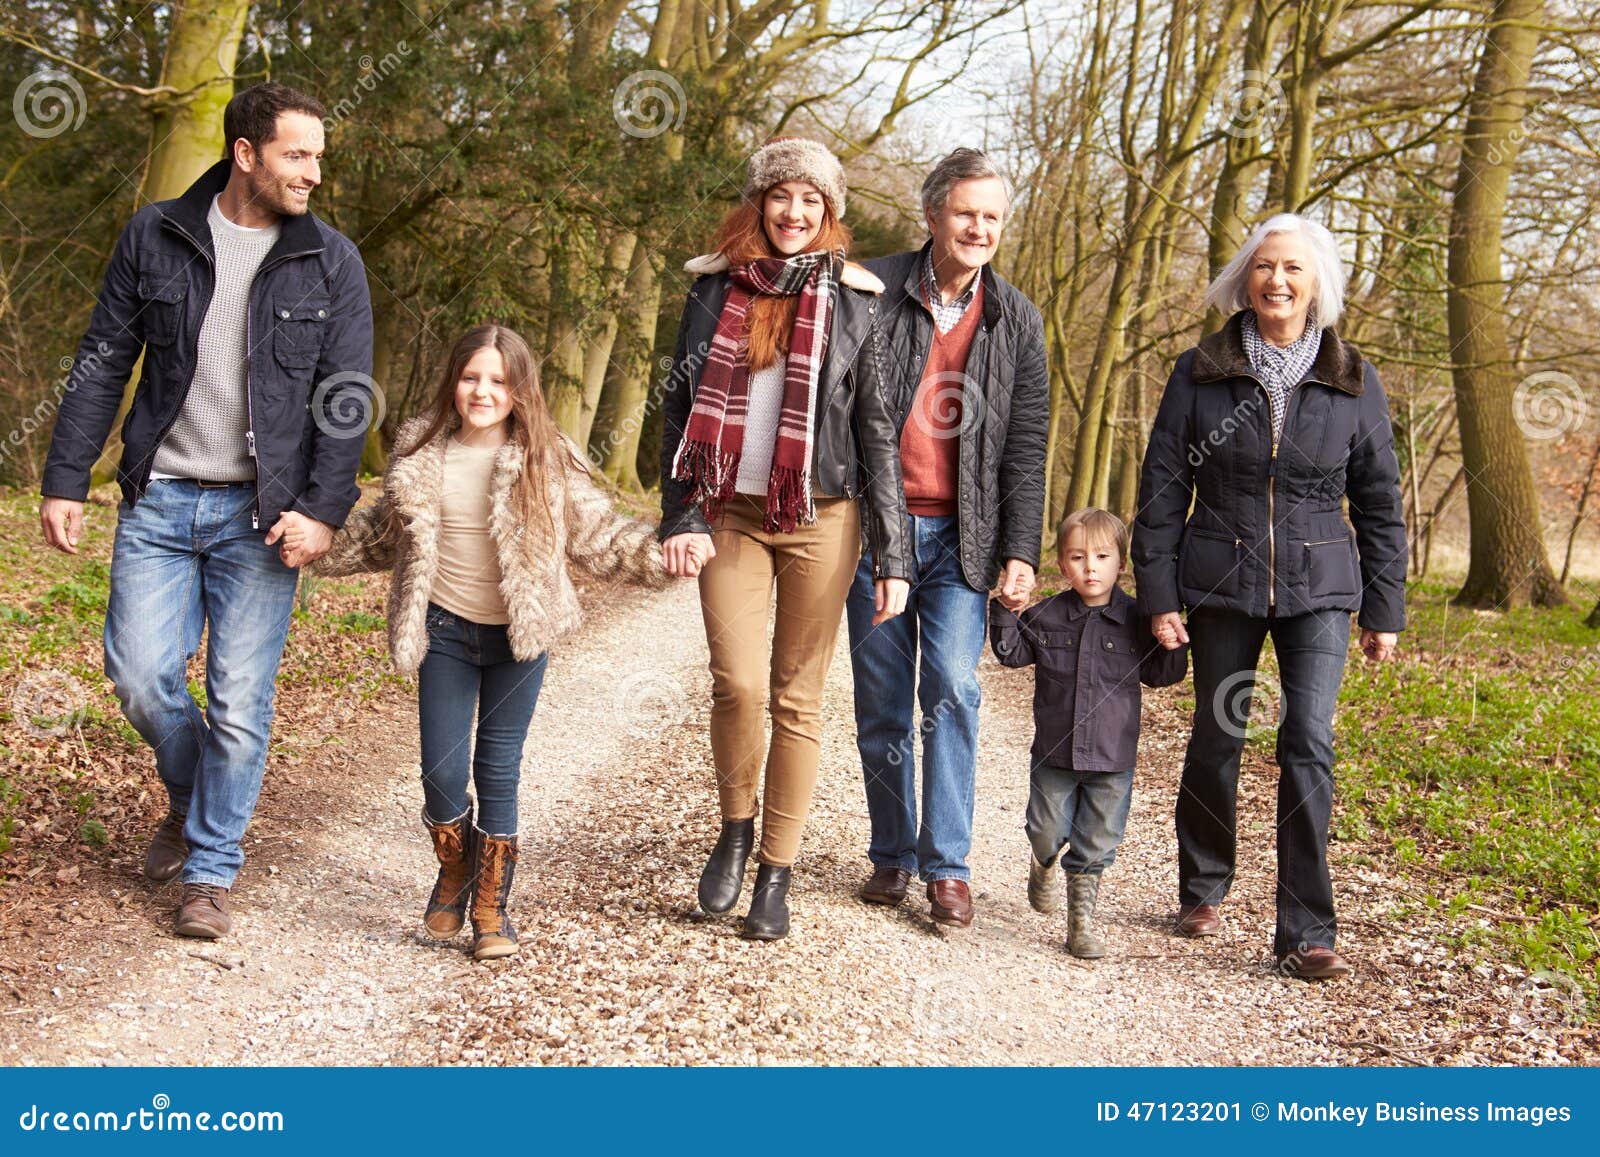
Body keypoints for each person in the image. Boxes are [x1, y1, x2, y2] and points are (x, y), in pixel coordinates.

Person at [38, 83, 373, 940]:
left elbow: (344, 398)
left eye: (320, 157)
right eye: (298, 155)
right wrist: (66, 476)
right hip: (160, 497)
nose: (314, 174)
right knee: (142, 678)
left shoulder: (331, 262)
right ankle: (195, 800)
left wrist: (325, 511)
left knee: (238, 702)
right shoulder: (157, 233)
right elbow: (102, 359)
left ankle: (210, 871)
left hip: (263, 515)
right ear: (246, 153)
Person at [314, 325, 674, 960]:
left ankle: (490, 907)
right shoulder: (420, 452)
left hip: (519, 637)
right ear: (453, 380)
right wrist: (315, 544)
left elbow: (598, 535)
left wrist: (663, 556)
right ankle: (454, 869)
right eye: (471, 377)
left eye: (498, 381)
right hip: (446, 631)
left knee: (498, 770)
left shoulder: (545, 457)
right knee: (441, 774)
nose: (482, 391)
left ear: (519, 391)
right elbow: (378, 536)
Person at [1131, 212, 1406, 980]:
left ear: (1317, 283)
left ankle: (1306, 928)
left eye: (1292, 269)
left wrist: (1384, 609)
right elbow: (1162, 488)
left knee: (1307, 741)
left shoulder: (1354, 377)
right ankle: (1203, 882)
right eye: (1263, 267)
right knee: (1219, 739)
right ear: (1243, 280)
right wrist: (1159, 592)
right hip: (1221, 579)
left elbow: (1380, 502)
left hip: (1321, 587)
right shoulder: (1200, 369)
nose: (1276, 281)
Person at [658, 137, 910, 942]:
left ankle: (776, 867)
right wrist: (680, 513)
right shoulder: (712, 289)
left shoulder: (860, 302)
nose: (794, 213)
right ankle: (735, 827)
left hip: (823, 517)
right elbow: (678, 408)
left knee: (799, 698)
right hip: (729, 511)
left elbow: (877, 431)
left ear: (828, 211)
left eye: (810, 201)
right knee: (737, 681)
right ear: (758, 204)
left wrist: (893, 553)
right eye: (780, 197)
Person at [846, 147, 1049, 928]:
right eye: (967, 212)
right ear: (932, 215)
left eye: (993, 216)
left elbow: (1026, 446)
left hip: (966, 540)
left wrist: (1020, 550)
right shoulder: (874, 289)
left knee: (956, 690)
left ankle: (948, 866)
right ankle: (892, 853)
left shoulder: (1018, 319)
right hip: (878, 533)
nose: (980, 228)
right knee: (883, 698)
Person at [989, 509, 1186, 958]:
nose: (1090, 567)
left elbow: (1161, 675)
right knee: (1044, 830)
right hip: (1054, 754)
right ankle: (1042, 864)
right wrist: (1005, 611)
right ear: (1062, 564)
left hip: (1112, 757)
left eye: (1101, 556)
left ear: (1122, 564)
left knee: (1097, 842)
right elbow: (1010, 654)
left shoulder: (1140, 620)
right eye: (1078, 557)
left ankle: (1080, 922)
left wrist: (1173, 644)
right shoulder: (1046, 616)